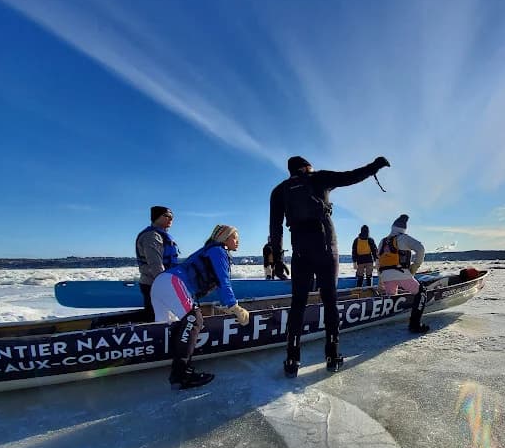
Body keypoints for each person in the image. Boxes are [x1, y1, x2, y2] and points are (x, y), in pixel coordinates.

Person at [269, 155, 391, 376]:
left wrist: (277, 259)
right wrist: (374, 166)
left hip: (300, 253)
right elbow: (351, 177)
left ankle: (292, 359)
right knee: (330, 301)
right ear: (306, 167)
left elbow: (275, 228)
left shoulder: (279, 191)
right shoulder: (319, 178)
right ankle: (332, 355)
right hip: (326, 250)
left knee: (298, 305)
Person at [151, 224, 250, 390]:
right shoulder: (219, 251)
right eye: (235, 237)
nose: (238, 241)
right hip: (173, 282)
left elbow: (215, 283)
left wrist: (225, 304)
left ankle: (176, 365)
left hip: (162, 283)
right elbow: (223, 281)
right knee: (193, 319)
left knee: (173, 325)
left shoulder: (209, 250)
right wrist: (234, 306)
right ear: (224, 238)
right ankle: (181, 375)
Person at [377, 214, 430, 334]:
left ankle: (389, 317)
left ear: (392, 227)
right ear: (403, 228)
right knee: (421, 292)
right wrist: (415, 266)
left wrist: (380, 281)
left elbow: (378, 261)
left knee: (392, 295)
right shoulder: (404, 238)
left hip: (386, 275)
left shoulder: (383, 241)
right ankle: (415, 325)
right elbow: (420, 248)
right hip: (401, 273)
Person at [135, 206, 180, 320]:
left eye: (172, 217)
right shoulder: (152, 236)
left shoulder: (161, 235)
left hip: (160, 282)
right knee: (157, 317)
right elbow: (155, 264)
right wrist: (165, 285)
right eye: (166, 216)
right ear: (156, 218)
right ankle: (155, 336)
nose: (170, 219)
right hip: (153, 283)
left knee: (161, 315)